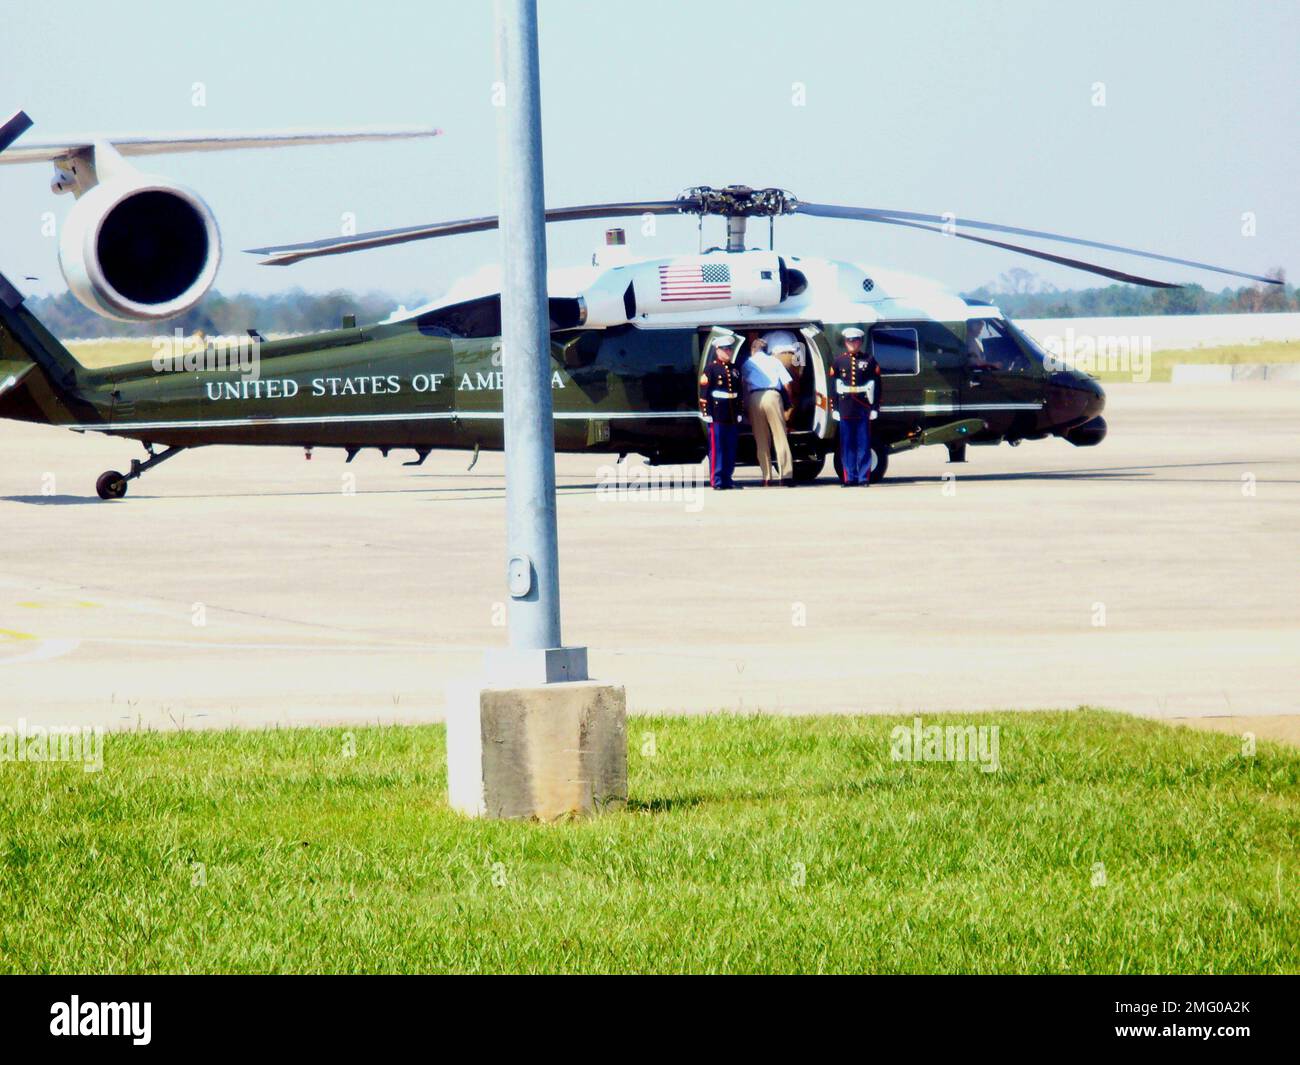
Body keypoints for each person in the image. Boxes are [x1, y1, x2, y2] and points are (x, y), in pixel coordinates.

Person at [828, 326, 882, 486]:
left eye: (856, 340)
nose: (852, 343)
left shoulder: (869, 361)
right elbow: (833, 387)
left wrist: (875, 408)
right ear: (845, 342)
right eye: (849, 341)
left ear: (860, 342)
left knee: (863, 444)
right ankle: (849, 477)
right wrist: (834, 408)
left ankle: (863, 477)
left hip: (863, 406)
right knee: (847, 445)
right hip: (845, 407)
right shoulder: (839, 361)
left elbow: (877, 386)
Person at [741, 335, 795, 486]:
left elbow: (744, 386)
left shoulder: (747, 363)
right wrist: (788, 402)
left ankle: (766, 477)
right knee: (780, 436)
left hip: (755, 397)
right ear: (767, 350)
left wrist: (745, 405)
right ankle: (786, 476)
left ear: (753, 350)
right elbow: (787, 384)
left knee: (761, 438)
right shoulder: (774, 361)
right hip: (772, 395)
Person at [698, 333, 744, 490]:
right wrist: (706, 412)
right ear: (718, 350)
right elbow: (704, 392)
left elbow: (739, 392)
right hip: (717, 413)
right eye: (725, 349)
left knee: (730, 447)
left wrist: (739, 412)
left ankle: (727, 478)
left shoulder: (735, 369)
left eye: (730, 349)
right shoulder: (711, 368)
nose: (728, 352)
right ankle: (717, 480)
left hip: (731, 414)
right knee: (717, 448)